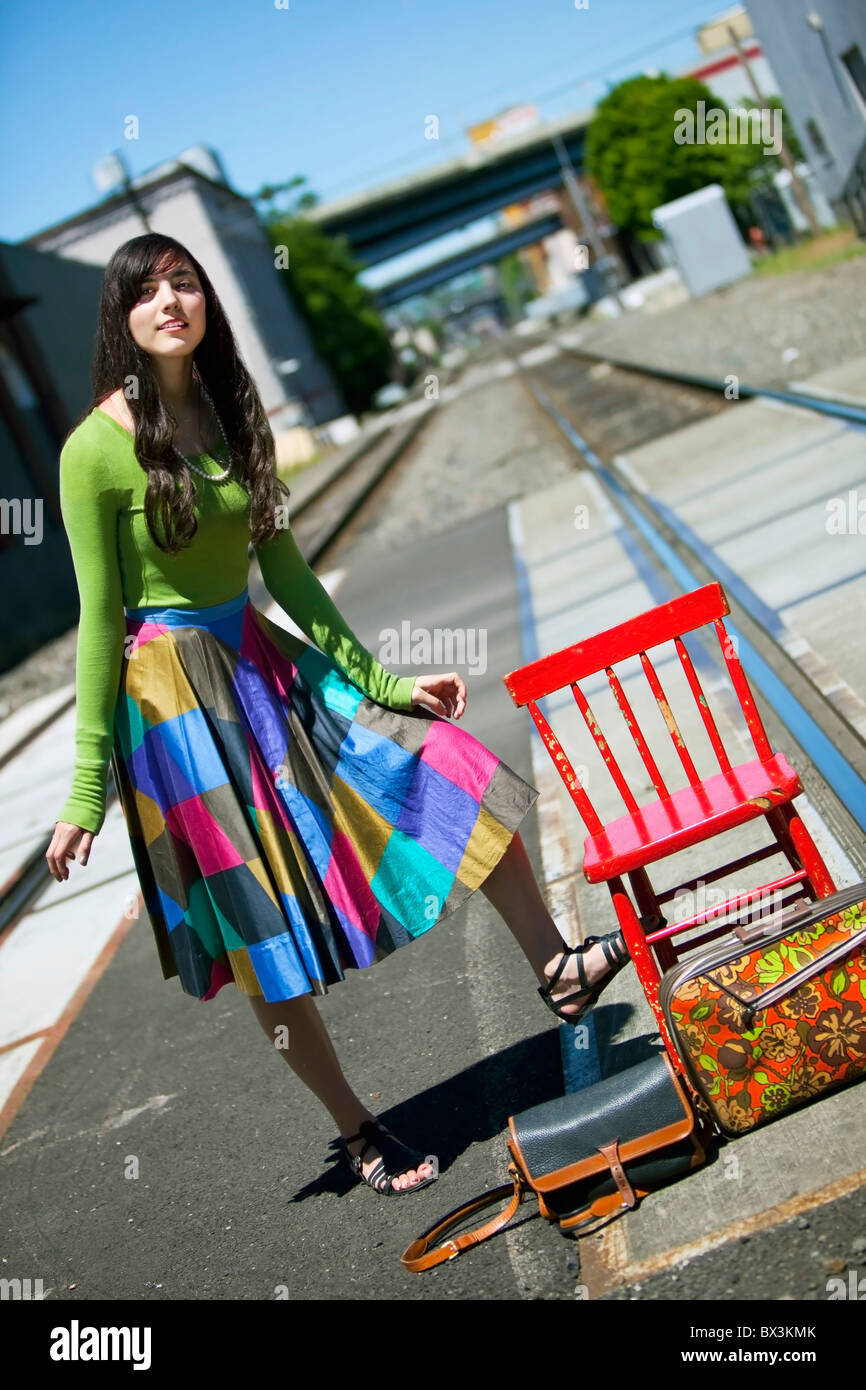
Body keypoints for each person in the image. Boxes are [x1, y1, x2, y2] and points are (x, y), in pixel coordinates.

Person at [45, 233, 630, 1196]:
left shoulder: (233, 411)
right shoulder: (92, 451)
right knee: (263, 935)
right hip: (176, 712)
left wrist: (380, 682)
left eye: (184, 282)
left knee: (445, 766)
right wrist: (85, 789)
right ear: (123, 319)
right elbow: (100, 622)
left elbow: (285, 574)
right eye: (147, 293)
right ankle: (359, 1131)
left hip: (262, 661)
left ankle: (558, 969)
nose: (171, 303)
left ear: (206, 300)